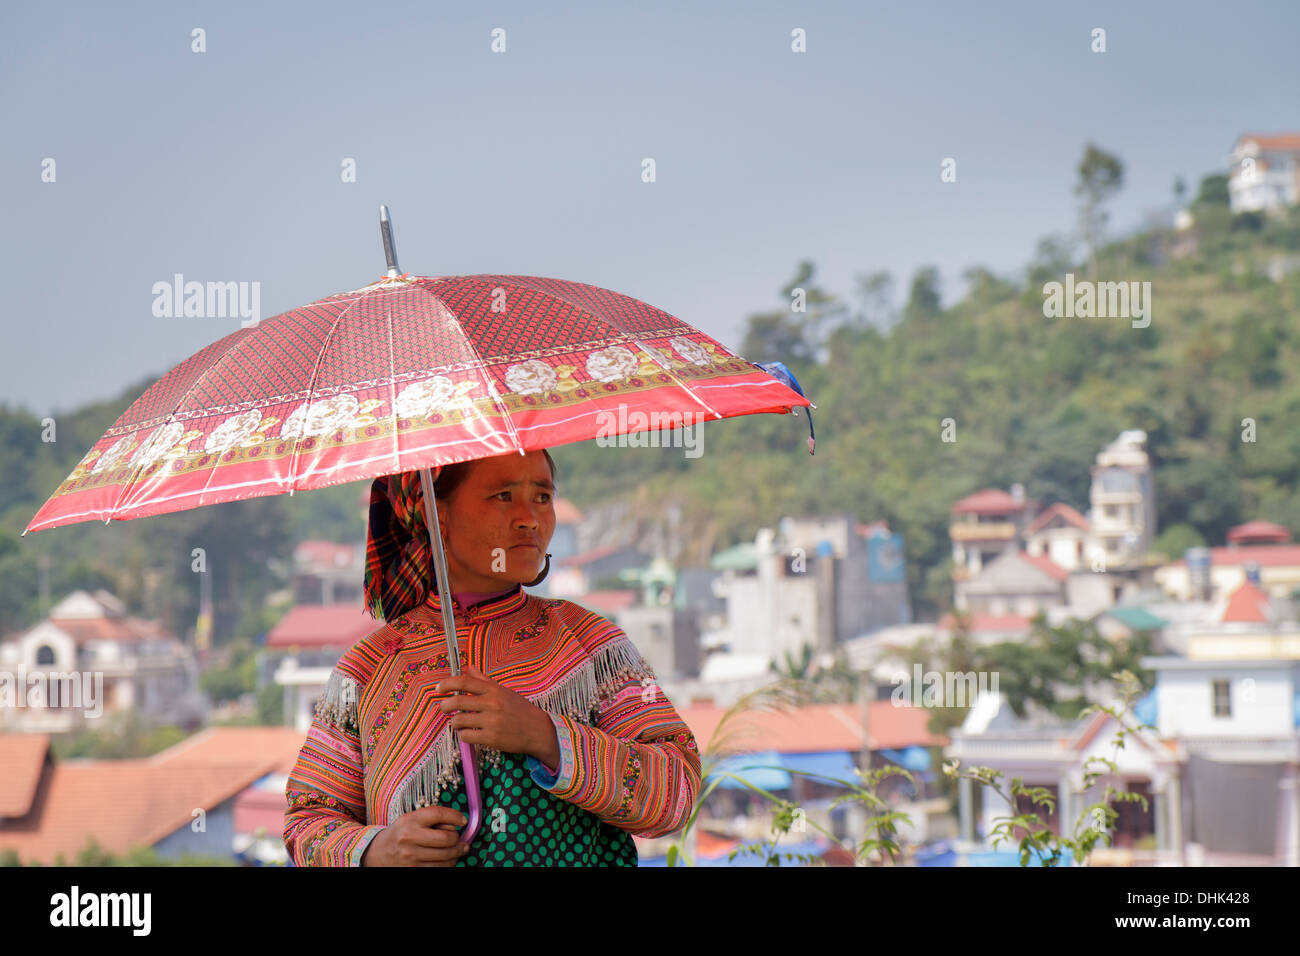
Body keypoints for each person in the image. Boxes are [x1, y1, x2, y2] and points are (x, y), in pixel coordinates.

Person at [282, 448, 701, 866]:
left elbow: (677, 792)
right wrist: (377, 849)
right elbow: (307, 823)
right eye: (503, 496)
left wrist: (547, 736)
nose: (529, 519)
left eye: (542, 496)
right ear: (434, 514)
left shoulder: (590, 645)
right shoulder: (368, 669)